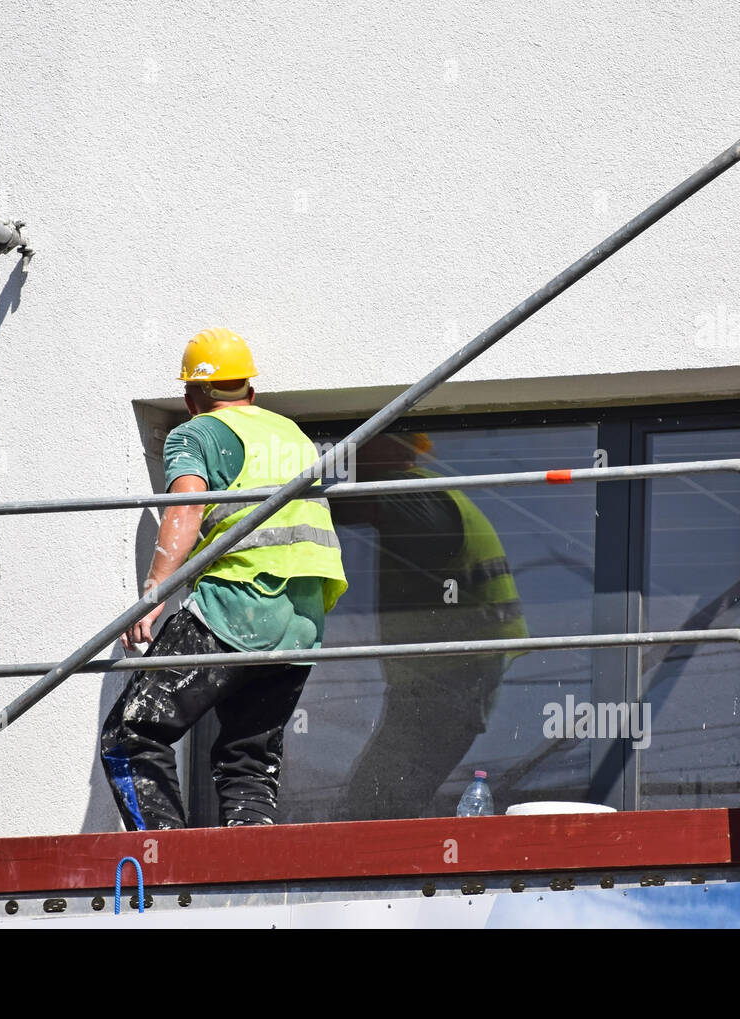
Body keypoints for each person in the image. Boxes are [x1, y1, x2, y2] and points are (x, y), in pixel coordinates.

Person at [100, 328, 347, 831]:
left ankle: (165, 863)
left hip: (237, 605)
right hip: (302, 623)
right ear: (250, 392)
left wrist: (153, 598)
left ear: (192, 397)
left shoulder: (197, 433)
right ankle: (249, 870)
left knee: (131, 735)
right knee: (248, 761)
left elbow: (185, 507)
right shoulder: (292, 435)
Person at [332, 433, 529, 819]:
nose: (349, 461)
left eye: (357, 451)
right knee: (385, 796)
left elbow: (349, 506)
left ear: (391, 451)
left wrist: (286, 495)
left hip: (451, 674)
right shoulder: (436, 496)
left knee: (376, 802)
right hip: (448, 674)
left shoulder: (419, 495)